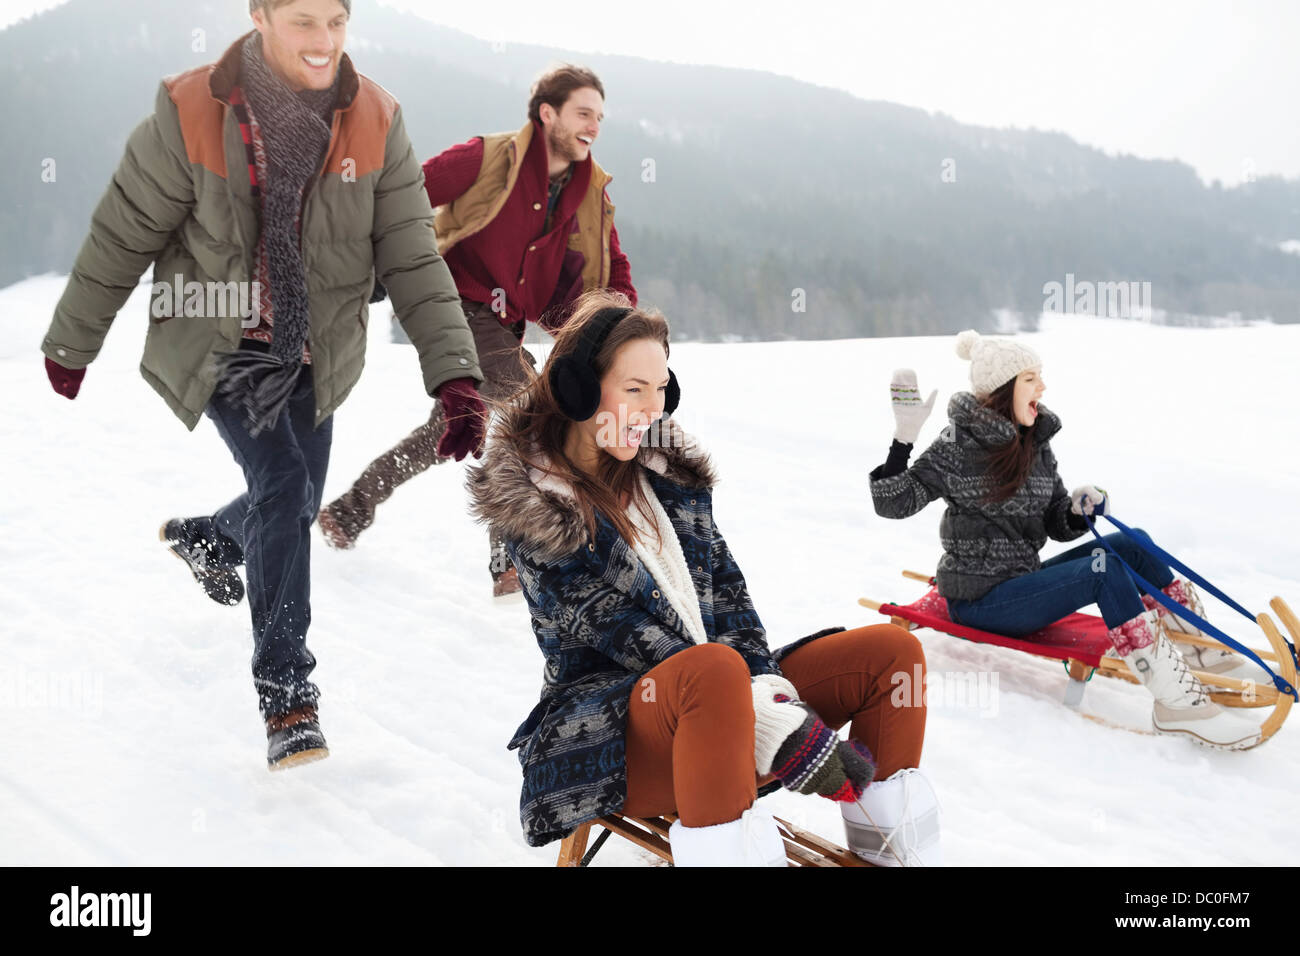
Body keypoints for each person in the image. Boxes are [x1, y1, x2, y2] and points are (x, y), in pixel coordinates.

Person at [40, 0, 487, 769]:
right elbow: (125, 229)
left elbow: (412, 257)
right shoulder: (191, 107)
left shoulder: (377, 117)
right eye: (304, 21)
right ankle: (288, 694)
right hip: (219, 332)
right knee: (283, 484)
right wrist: (74, 339)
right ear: (260, 15)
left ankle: (210, 539)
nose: (323, 41)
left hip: (315, 347)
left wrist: (454, 378)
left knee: (298, 497)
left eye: (336, 22)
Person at [467, 291, 940, 866]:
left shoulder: (671, 483)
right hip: (610, 731)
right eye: (633, 389)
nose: (651, 408)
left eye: (660, 389)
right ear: (578, 390)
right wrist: (772, 722)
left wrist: (766, 692)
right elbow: (635, 641)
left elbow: (733, 608)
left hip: (719, 692)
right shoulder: (535, 507)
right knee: (712, 670)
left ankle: (895, 855)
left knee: (891, 653)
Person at [318, 64, 636, 600]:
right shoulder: (489, 158)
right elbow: (404, 192)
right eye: (584, 113)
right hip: (451, 302)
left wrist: (627, 330)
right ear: (548, 113)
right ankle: (511, 559)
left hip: (505, 323)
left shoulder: (590, 193)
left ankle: (348, 511)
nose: (594, 126)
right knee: (530, 411)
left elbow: (613, 266)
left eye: (600, 117)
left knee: (447, 435)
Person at [869, 329, 1264, 750]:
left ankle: (1203, 653)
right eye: (1030, 378)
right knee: (1103, 571)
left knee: (1134, 545)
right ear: (1004, 389)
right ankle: (1176, 705)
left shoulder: (1034, 443)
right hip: (980, 600)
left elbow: (1055, 520)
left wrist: (1077, 509)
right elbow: (894, 504)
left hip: (1023, 581)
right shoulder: (957, 444)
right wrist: (903, 439)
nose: (1043, 386)